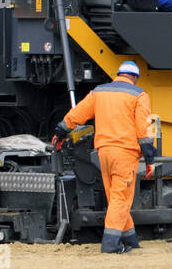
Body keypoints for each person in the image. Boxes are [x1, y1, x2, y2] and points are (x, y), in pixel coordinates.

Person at [52, 60, 156, 253]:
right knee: (120, 198)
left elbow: (77, 114)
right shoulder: (139, 95)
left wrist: (60, 132)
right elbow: (144, 131)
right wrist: (150, 160)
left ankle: (131, 241)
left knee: (116, 197)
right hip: (124, 153)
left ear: (118, 74)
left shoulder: (98, 92)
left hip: (103, 153)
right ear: (134, 77)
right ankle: (110, 245)